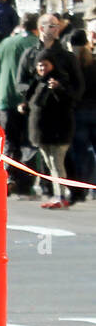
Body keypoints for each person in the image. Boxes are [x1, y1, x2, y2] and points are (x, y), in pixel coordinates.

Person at [0, 14, 39, 195]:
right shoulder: (37, 44)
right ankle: (25, 182)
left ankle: (7, 178)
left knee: (8, 142)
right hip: (29, 101)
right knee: (29, 143)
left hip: (5, 100)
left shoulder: (5, 44)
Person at [20, 48, 77, 208]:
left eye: (45, 65)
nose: (42, 68)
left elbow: (69, 100)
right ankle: (57, 195)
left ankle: (62, 196)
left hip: (59, 132)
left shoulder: (61, 80)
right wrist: (24, 106)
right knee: (50, 165)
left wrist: (59, 88)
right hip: (42, 133)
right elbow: (33, 102)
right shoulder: (38, 81)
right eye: (40, 65)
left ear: (52, 65)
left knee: (57, 164)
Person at [66, 29, 96, 201]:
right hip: (94, 110)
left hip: (78, 112)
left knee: (80, 153)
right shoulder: (93, 62)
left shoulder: (71, 64)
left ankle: (83, 187)